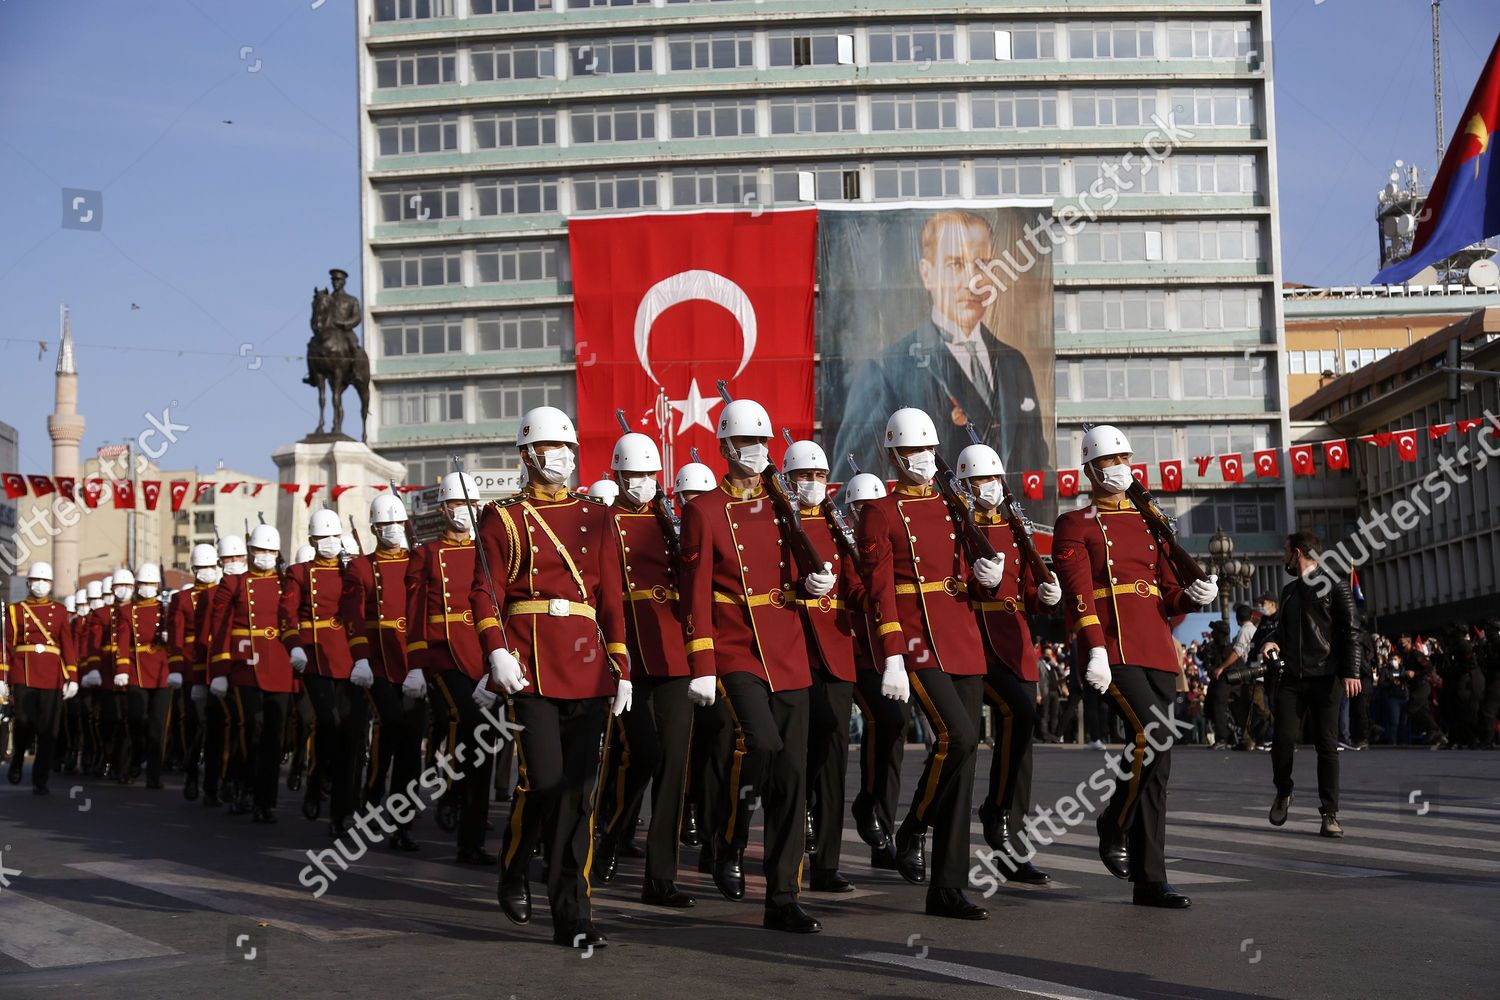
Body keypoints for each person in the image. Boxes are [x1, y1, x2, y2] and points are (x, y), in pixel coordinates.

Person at [472, 405, 629, 950]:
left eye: (567, 448)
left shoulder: (596, 514)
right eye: (550, 448)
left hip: (588, 668)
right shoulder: (502, 517)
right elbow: (485, 591)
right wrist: (496, 651)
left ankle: (574, 916)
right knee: (543, 781)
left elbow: (611, 596)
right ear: (527, 455)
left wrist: (622, 665)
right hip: (531, 662)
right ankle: (513, 867)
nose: (561, 458)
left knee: (578, 796)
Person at [1052, 424, 1218, 908]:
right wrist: (1094, 646)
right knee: (1151, 735)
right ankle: (1113, 822)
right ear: (1089, 470)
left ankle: (1150, 879)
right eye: (1110, 462)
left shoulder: (1150, 521)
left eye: (1125, 459)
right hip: (1111, 648)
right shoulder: (1074, 524)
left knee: (1158, 762)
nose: (1120, 468)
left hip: (1155, 647)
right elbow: (1080, 590)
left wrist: (1191, 594)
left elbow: (1166, 592)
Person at [679, 396, 822, 934]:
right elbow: (695, 593)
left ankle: (782, 896)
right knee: (763, 746)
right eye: (746, 443)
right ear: (724, 448)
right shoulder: (703, 511)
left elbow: (800, 564)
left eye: (763, 442)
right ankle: (724, 839)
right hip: (736, 646)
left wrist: (812, 586)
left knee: (791, 776)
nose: (757, 452)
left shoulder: (783, 500)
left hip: (786, 648)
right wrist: (702, 662)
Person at [858, 407, 994, 920]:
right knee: (956, 737)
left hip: (960, 636)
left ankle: (947, 886)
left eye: (928, 450)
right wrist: (892, 653)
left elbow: (970, 577)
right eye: (913, 452)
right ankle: (914, 824)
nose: (923, 459)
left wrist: (991, 577)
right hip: (915, 640)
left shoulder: (953, 503)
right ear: (894, 455)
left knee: (966, 759)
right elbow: (879, 589)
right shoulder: (880, 510)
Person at [829, 209, 1049, 480]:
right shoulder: (886, 371)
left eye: (982, 265)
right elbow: (855, 484)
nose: (972, 281)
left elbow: (1039, 469)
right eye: (956, 265)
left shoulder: (1014, 363)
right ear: (927, 274)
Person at [594, 431, 697, 908]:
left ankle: (660, 876)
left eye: (648, 475)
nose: (641, 483)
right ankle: (610, 833)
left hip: (672, 647)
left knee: (674, 764)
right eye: (632, 476)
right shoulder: (601, 522)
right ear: (617, 476)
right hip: (626, 650)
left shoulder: (671, 519)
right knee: (641, 754)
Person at [955, 442, 1062, 885]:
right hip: (970, 639)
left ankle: (1012, 842)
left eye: (995, 479)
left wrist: (1046, 599)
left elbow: (1025, 592)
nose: (990, 487)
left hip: (1012, 640)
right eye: (981, 481)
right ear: (963, 485)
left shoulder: (1018, 527)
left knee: (1021, 743)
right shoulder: (955, 526)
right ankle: (939, 834)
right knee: (960, 744)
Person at [783, 438, 862, 894]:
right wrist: (799, 585)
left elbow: (854, 585)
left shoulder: (838, 524)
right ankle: (790, 850)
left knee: (832, 752)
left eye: (818, 476)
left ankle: (827, 864)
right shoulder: (777, 521)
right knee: (792, 753)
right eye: (802, 477)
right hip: (792, 647)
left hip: (834, 646)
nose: (811, 484)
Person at [406, 471, 491, 864]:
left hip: (486, 657)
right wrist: (416, 664)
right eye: (457, 504)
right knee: (469, 723)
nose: (464, 511)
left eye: (470, 504)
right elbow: (415, 611)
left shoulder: (489, 552)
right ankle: (450, 791)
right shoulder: (427, 554)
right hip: (445, 658)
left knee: (486, 744)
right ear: (443, 509)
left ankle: (471, 840)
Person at [1262, 531, 1362, 839]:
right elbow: (1282, 632)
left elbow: (1351, 631)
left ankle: (1330, 814)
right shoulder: (1290, 591)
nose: (1283, 557)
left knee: (1327, 746)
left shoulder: (1335, 585)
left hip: (1325, 677)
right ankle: (1284, 790)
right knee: (1282, 740)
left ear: (1300, 552)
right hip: (1292, 678)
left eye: (1285, 551)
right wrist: (1269, 643)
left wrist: (1351, 671)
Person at [344, 492, 422, 852]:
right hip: (378, 665)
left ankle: (401, 820)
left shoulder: (417, 560)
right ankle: (372, 798)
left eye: (397, 523)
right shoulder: (361, 567)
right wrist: (359, 656)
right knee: (390, 730)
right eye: (385, 524)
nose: (392, 529)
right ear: (374, 527)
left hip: (413, 662)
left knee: (409, 747)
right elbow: (354, 616)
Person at [282, 508, 366, 835]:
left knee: (352, 733)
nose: (329, 542)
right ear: (312, 540)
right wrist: (295, 646)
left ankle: (343, 809)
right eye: (322, 537)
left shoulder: (352, 569)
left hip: (351, 655)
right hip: (315, 657)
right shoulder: (299, 573)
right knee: (328, 724)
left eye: (333, 536)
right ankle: (316, 782)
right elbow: (286, 615)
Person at [842, 472, 908, 872]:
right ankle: (866, 806)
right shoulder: (844, 545)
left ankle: (881, 827)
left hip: (883, 655)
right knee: (881, 719)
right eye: (859, 509)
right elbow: (853, 591)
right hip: (851, 656)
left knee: (894, 731)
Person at [209, 523, 295, 823]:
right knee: (252, 727)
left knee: (276, 735)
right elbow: (219, 628)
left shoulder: (287, 582)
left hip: (281, 665)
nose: (265, 555)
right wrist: (219, 669)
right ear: (250, 551)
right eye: (260, 550)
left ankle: (265, 797)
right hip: (246, 665)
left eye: (271, 550)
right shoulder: (234, 584)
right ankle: (246, 786)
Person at [674, 458, 721, 858]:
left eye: (701, 496)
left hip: (714, 647)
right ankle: (690, 808)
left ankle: (712, 832)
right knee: (689, 744)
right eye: (689, 496)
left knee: (716, 744)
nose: (695, 503)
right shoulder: (667, 532)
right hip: (680, 649)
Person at [2, 562, 79, 794]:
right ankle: (17, 759)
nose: (40, 585)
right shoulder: (15, 610)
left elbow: (67, 644)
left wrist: (72, 676)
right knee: (24, 722)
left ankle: (41, 778)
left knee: (48, 728)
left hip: (52, 674)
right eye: (36, 580)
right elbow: (6, 645)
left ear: (51, 584)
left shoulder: (60, 611)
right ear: (28, 583)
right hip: (23, 671)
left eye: (45, 581)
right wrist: (2, 677)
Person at [169, 544, 220, 801]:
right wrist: (176, 668)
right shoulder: (181, 599)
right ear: (193, 569)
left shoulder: (224, 592)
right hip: (192, 667)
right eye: (202, 568)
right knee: (195, 724)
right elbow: (176, 637)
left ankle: (213, 784)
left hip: (219, 663)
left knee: (217, 727)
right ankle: (191, 773)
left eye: (211, 567)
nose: (207, 572)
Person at [114, 563, 171, 788]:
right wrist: (121, 670)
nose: (147, 587)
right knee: (136, 719)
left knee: (158, 726)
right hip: (137, 671)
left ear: (157, 585)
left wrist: (170, 634)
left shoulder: (166, 608)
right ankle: (136, 757)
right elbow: (122, 641)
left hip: (161, 671)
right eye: (144, 583)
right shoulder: (128, 611)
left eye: (151, 583)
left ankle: (154, 774)